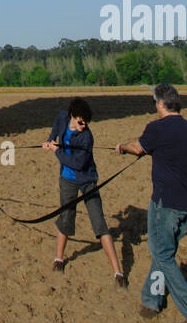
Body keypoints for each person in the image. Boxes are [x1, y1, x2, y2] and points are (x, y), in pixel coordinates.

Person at [116, 82, 187, 323]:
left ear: (160, 103)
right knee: (162, 253)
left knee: (164, 256)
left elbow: (138, 147)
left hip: (166, 203)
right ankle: (152, 301)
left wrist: (122, 147)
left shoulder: (157, 128)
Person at [43, 98, 126, 286]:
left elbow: (78, 164)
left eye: (86, 123)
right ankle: (59, 259)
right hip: (67, 180)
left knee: (99, 222)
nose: (83, 126)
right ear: (72, 116)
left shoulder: (87, 137)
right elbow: (57, 127)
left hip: (87, 180)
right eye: (80, 122)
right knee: (66, 218)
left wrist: (56, 151)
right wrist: (50, 140)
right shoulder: (63, 117)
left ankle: (117, 272)